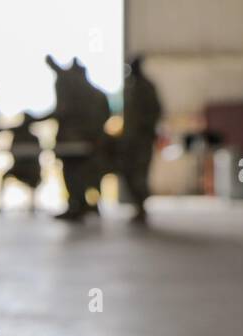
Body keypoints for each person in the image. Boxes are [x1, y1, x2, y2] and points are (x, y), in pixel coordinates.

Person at [43, 55, 110, 221]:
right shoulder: (97, 94)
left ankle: (78, 204)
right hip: (91, 141)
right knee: (88, 173)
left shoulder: (75, 91)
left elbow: (63, 111)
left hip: (77, 141)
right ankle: (86, 204)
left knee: (74, 173)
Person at [122, 56, 163, 223]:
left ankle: (141, 206)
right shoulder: (131, 87)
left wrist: (145, 129)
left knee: (139, 173)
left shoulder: (145, 87)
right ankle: (138, 205)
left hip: (142, 139)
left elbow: (156, 111)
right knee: (130, 172)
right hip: (131, 139)